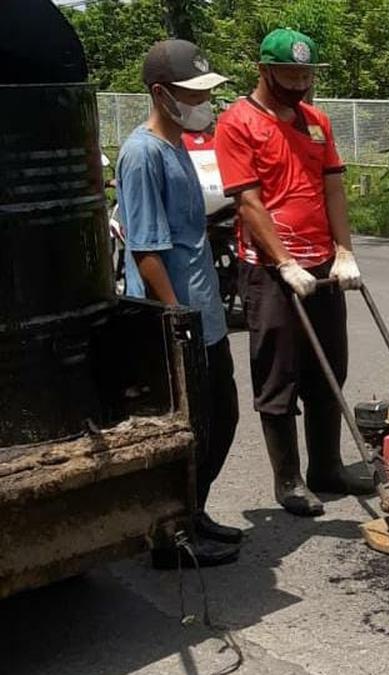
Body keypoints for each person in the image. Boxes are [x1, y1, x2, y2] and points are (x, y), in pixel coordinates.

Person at [214, 28, 371, 517]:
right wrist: (284, 261)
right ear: (264, 71)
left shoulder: (316, 122)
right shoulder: (238, 123)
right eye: (290, 75)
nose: (300, 84)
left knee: (329, 368)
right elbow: (248, 202)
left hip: (322, 263)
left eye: (306, 75)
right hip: (270, 269)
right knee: (278, 375)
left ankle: (328, 467)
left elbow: (333, 189)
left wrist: (344, 250)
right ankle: (289, 480)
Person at [116, 39, 241, 568]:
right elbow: (145, 248)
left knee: (221, 419)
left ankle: (193, 510)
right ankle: (171, 538)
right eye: (191, 94)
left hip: (205, 314)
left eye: (204, 94)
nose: (201, 103)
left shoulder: (179, 146)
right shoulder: (142, 153)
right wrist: (176, 319)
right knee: (189, 431)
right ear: (160, 94)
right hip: (179, 320)